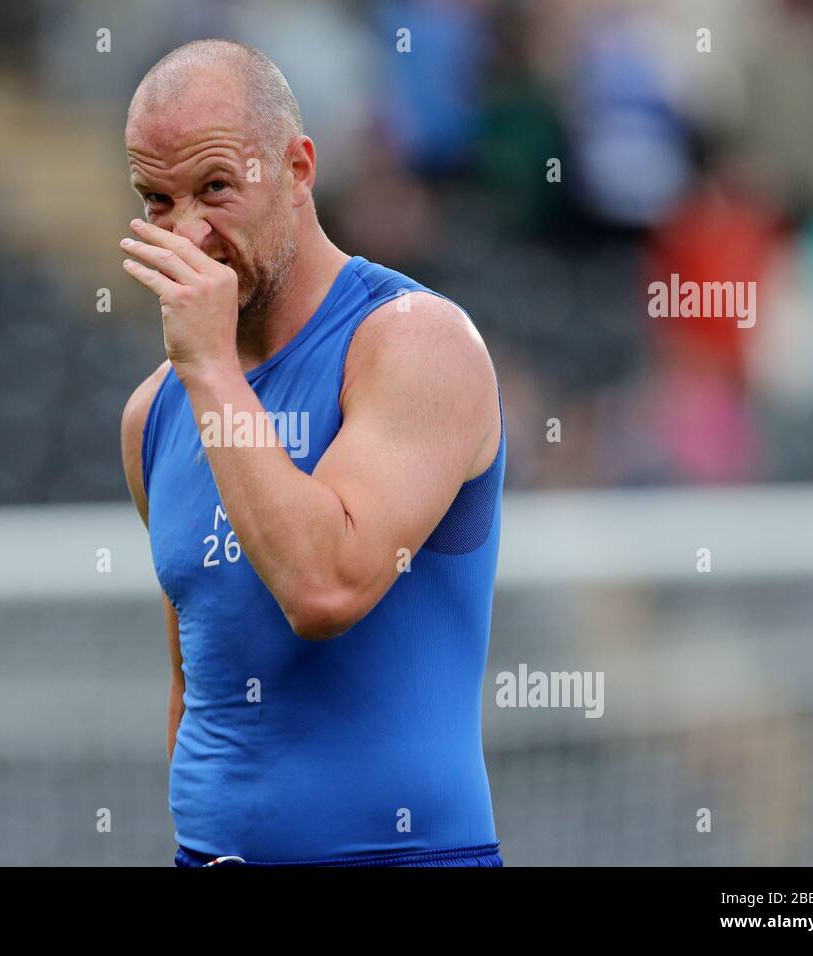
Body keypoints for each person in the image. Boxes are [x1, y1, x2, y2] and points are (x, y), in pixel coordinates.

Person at [119, 39, 505, 867]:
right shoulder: (154, 412)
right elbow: (197, 683)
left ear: (297, 170)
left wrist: (212, 367)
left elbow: (324, 587)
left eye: (216, 188)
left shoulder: (415, 344)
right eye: (157, 200)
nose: (189, 232)